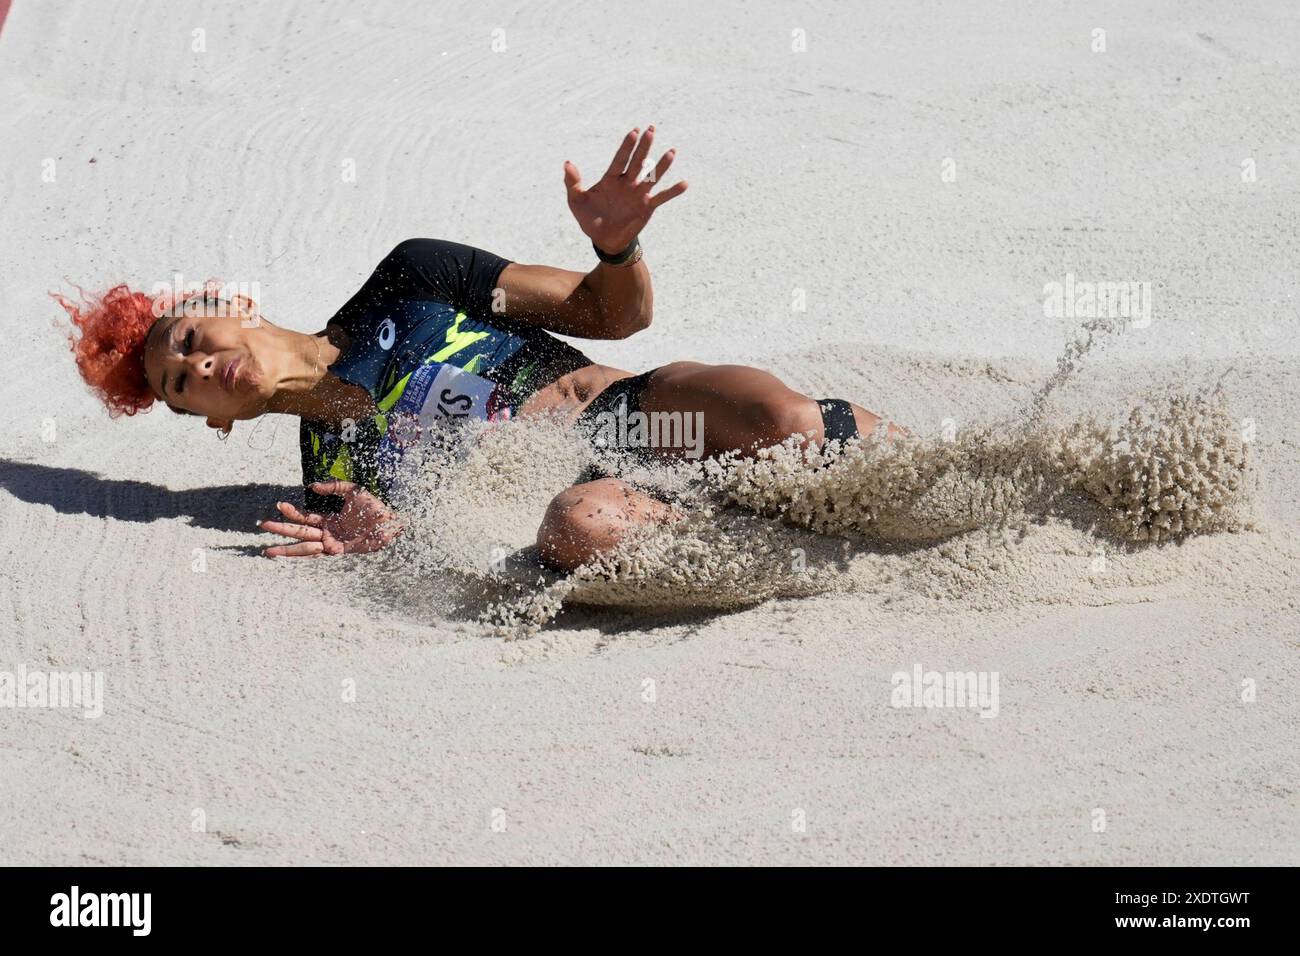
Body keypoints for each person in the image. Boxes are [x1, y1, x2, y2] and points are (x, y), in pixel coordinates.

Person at [58, 125, 903, 571]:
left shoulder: (411, 279)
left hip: (638, 421)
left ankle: (925, 473)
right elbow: (408, 532)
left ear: (233, 305)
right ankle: (749, 531)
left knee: (781, 423)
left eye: (194, 342)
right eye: (182, 385)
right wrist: (377, 533)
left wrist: (615, 248)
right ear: (213, 423)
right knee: (577, 528)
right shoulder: (329, 476)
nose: (201, 368)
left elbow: (613, 317)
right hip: (601, 492)